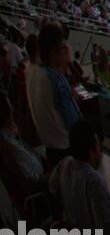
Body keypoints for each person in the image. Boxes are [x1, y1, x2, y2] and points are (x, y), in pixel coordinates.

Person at [50, 120, 110, 235]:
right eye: (99, 147)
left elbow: (53, 188)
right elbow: (109, 229)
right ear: (92, 152)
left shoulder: (65, 163)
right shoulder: (94, 180)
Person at [27, 22, 81, 163]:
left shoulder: (31, 70)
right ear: (54, 51)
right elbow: (74, 124)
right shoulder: (57, 80)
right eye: (64, 49)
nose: (66, 53)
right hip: (66, 147)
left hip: (49, 145)